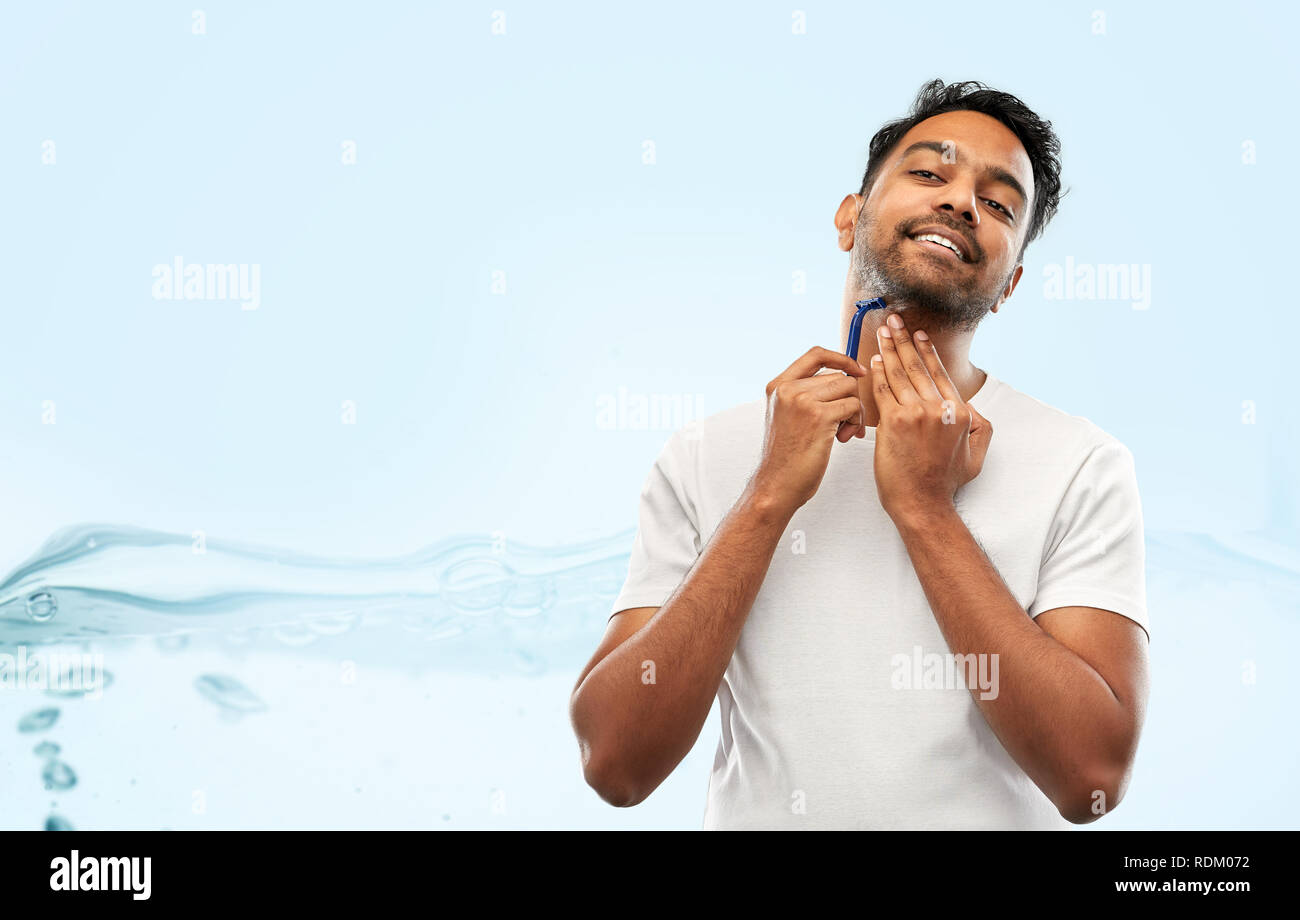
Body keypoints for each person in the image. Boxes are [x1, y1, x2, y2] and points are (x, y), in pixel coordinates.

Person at [569, 79, 1150, 830]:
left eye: (999, 203)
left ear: (1010, 285)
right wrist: (769, 495)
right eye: (930, 174)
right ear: (850, 218)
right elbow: (615, 766)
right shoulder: (705, 456)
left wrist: (924, 509)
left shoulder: (1082, 464)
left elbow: (1092, 778)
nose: (962, 202)